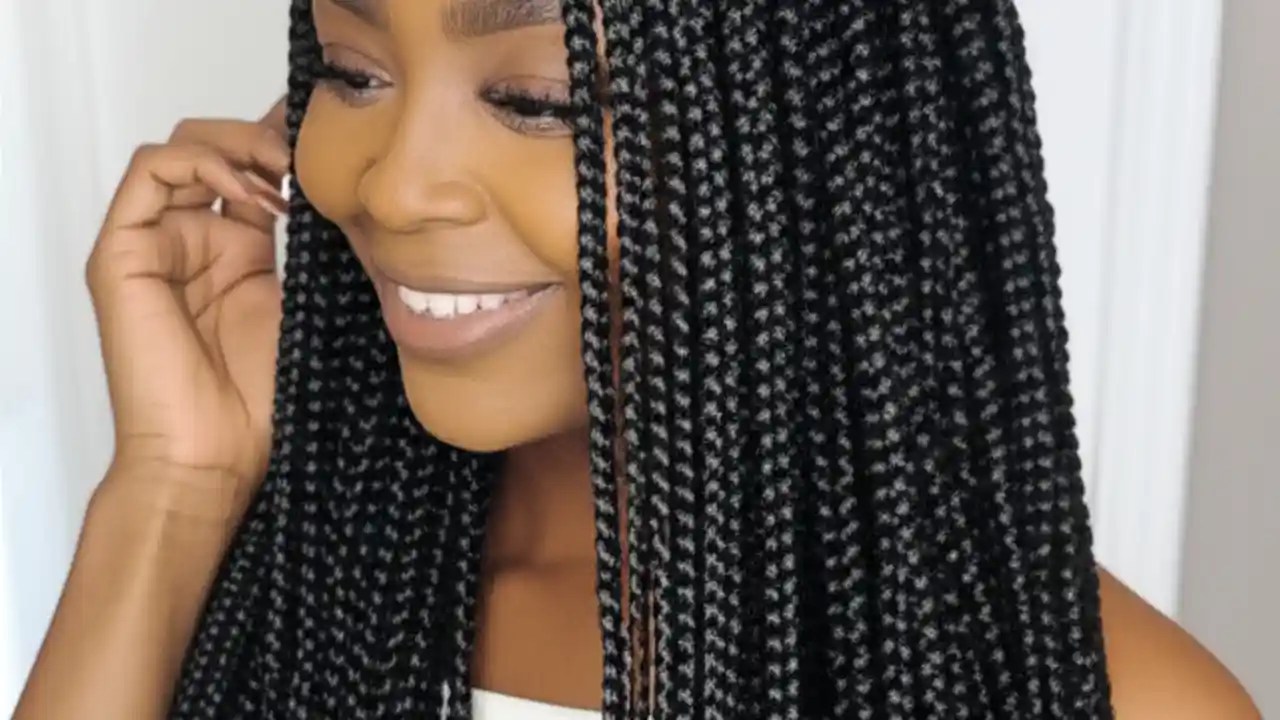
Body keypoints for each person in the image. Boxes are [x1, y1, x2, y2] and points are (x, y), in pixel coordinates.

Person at [14, 0, 1262, 718]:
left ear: (824, 139)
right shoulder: (297, 591)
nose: (389, 184)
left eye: (540, 103)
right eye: (351, 71)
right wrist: (171, 491)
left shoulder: (1110, 701)